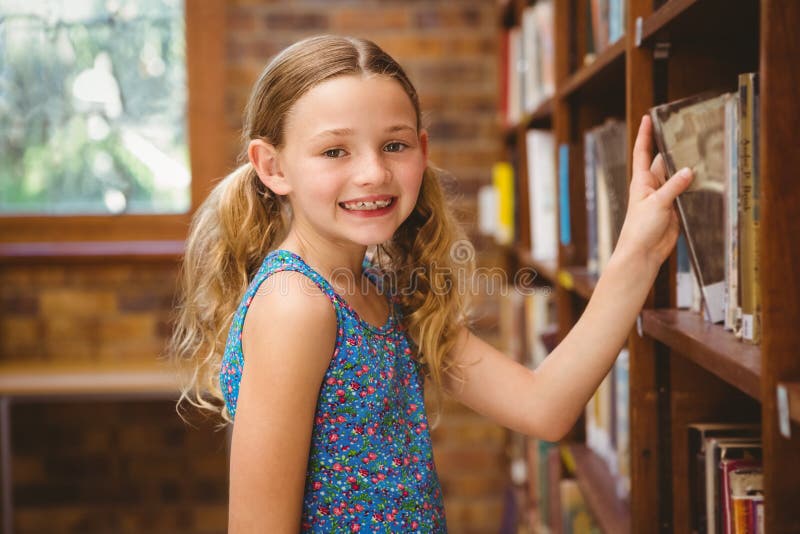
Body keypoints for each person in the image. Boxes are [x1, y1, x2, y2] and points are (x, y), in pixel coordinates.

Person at [167, 35, 693, 532]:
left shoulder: (381, 289)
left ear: (422, 149)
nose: (373, 172)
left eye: (394, 145)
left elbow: (544, 407)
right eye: (335, 152)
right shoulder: (296, 306)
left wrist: (638, 250)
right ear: (272, 166)